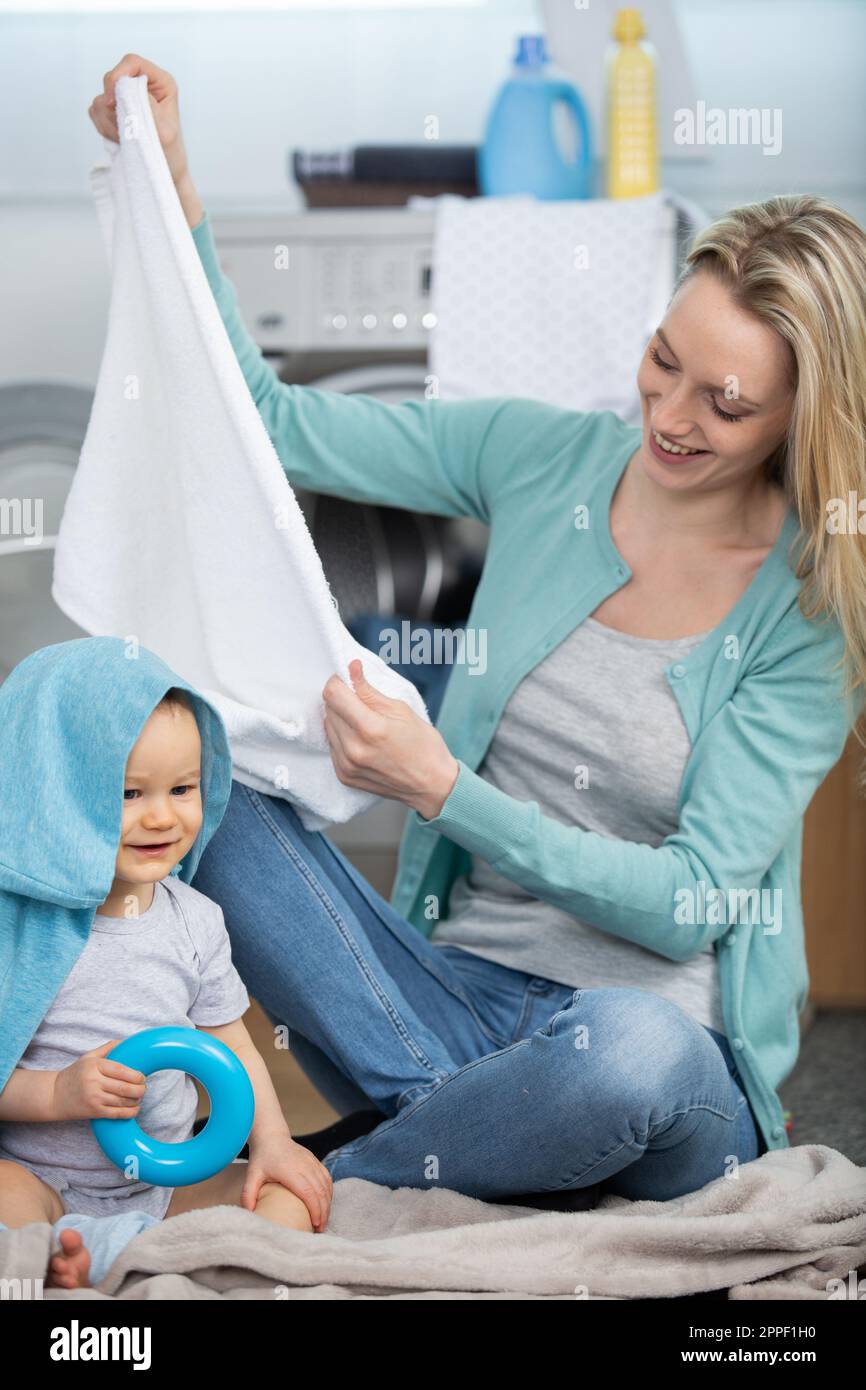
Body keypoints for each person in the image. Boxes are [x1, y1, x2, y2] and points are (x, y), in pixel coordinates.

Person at [87, 57, 866, 1204]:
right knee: (202, 774)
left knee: (627, 1056)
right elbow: (270, 423)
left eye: (724, 402)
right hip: (440, 998)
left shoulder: (803, 611)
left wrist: (445, 788)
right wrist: (178, 191)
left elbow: (686, 896)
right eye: (662, 360)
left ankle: (345, 1170)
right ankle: (477, 1143)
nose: (666, 411)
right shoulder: (540, 454)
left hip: (656, 1062)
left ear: (804, 416)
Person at [0, 639, 332, 1290]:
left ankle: (122, 1251)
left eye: (182, 788)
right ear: (58, 795)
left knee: (289, 1201)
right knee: (6, 1205)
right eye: (128, 793)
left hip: (165, 1179)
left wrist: (271, 1140)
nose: (162, 816)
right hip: (38, 1177)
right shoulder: (20, 930)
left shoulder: (196, 920)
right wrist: (57, 1093)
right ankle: (77, 1248)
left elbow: (231, 1041)